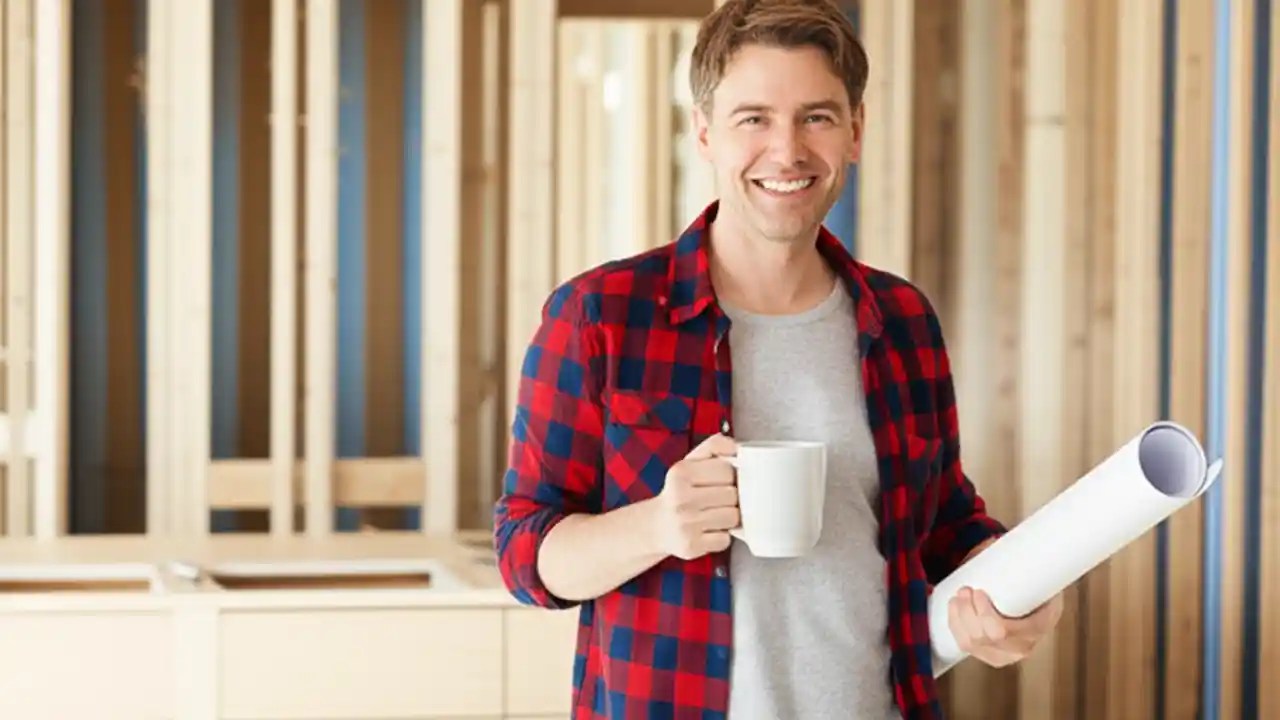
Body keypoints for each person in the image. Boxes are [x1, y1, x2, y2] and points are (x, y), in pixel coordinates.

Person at [493, 0, 1063, 718]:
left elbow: (946, 525)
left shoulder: (903, 322)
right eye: (753, 118)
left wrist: (1017, 592)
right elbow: (525, 552)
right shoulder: (601, 316)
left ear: (855, 132)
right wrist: (657, 525)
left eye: (817, 117)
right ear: (704, 132)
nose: (787, 151)